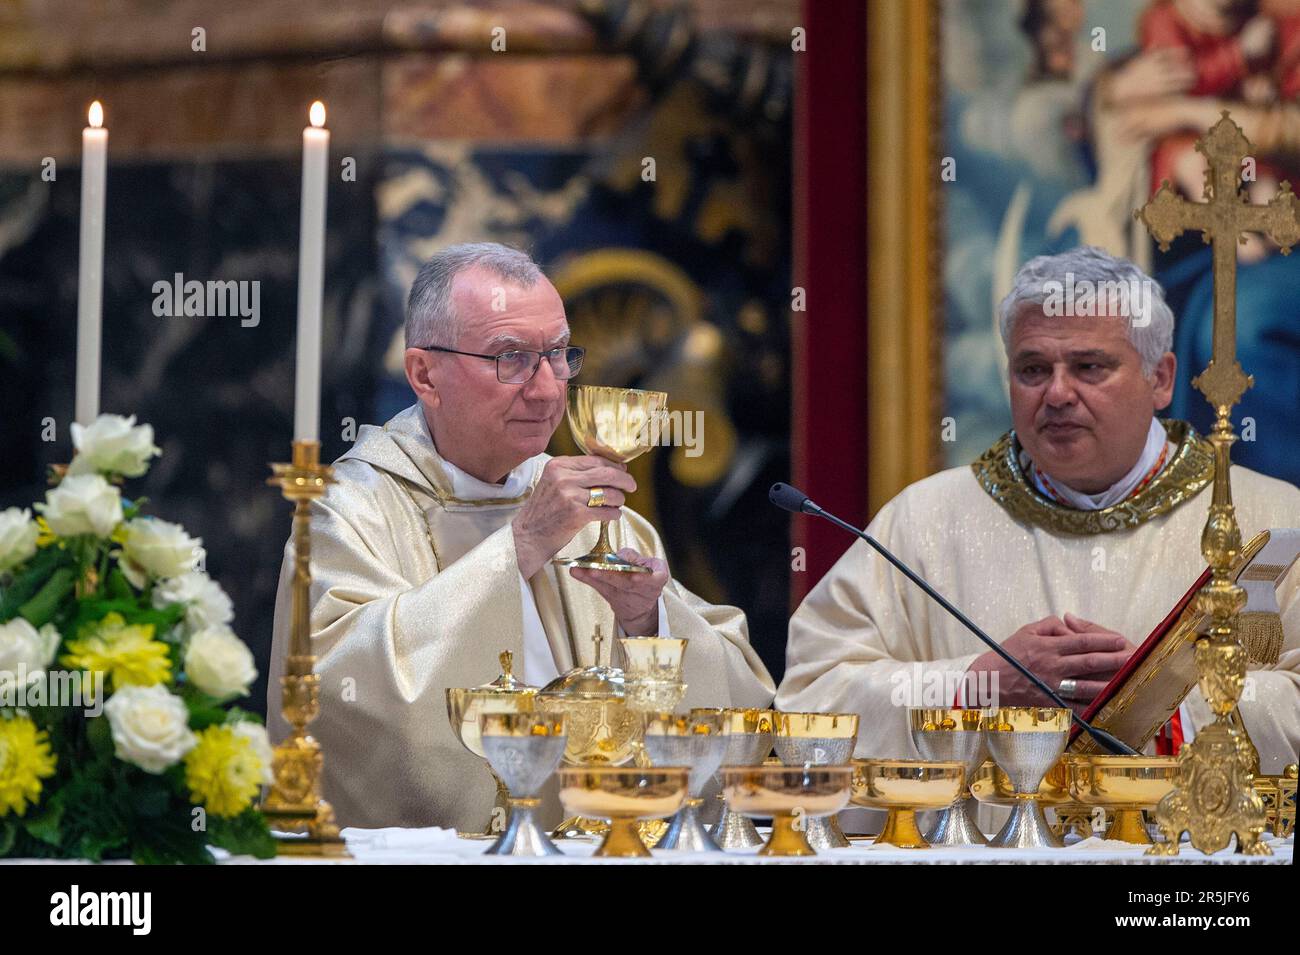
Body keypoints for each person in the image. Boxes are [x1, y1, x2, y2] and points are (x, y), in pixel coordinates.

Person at [268, 242, 774, 831]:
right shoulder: (351, 510)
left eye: (558, 355)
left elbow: (742, 711)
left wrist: (648, 626)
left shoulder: (596, 517)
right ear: (424, 374)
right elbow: (338, 699)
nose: (546, 389)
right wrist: (520, 546)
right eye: (510, 358)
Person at [777, 246, 1300, 777]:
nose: (1056, 393)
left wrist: (1160, 704)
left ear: (1161, 379)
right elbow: (810, 698)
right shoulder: (923, 521)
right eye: (1032, 369)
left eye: (1089, 367)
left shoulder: (1270, 520)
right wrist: (978, 683)